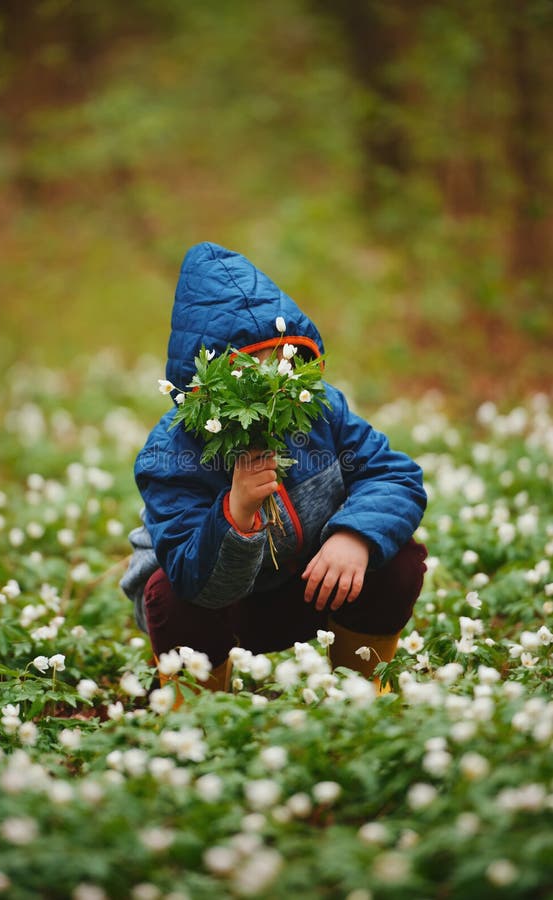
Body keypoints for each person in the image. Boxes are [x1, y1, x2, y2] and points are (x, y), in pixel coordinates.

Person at [121, 241, 427, 694]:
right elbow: (193, 580)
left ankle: (361, 693)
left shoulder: (323, 410)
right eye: (246, 371)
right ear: (202, 381)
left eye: (281, 362)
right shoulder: (171, 452)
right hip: (218, 607)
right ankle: (201, 714)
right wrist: (236, 511)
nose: (269, 385)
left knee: (398, 556)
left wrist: (354, 536)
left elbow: (394, 474)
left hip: (311, 586)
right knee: (168, 593)